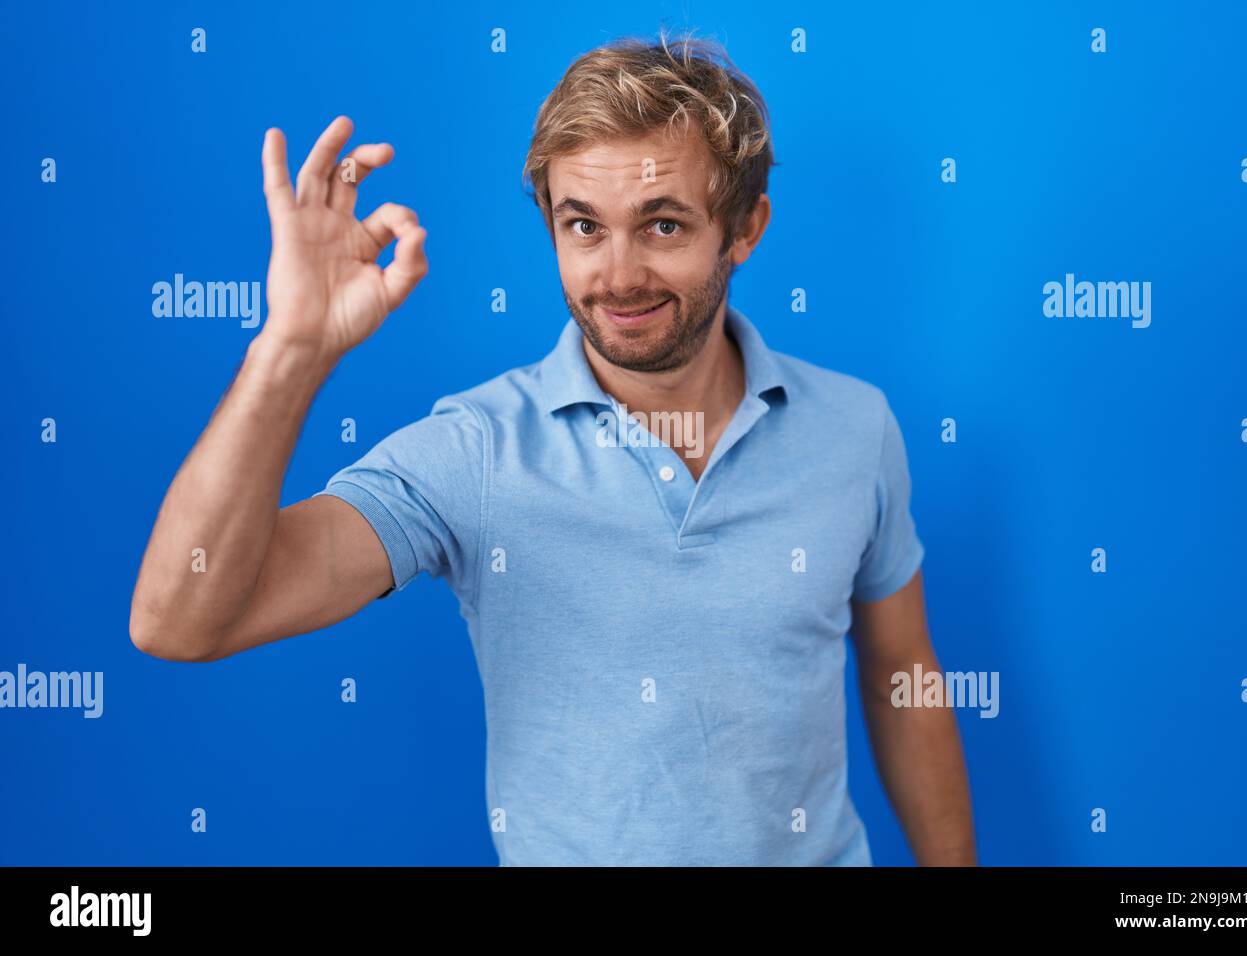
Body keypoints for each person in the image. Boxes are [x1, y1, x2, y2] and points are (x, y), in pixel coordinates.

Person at [129, 30, 976, 867]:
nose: (617, 275)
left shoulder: (855, 428)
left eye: (664, 226)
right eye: (582, 225)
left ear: (745, 227)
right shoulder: (476, 452)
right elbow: (179, 622)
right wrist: (290, 352)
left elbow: (902, 673)